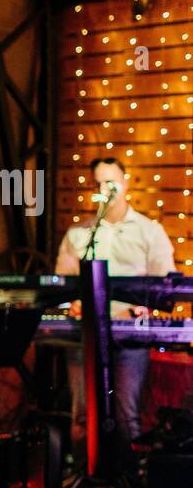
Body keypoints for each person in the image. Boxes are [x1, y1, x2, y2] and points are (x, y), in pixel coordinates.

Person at [54, 157, 175, 446]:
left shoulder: (149, 231)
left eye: (110, 182)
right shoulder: (79, 234)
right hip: (85, 334)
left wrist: (143, 305)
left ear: (125, 182)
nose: (105, 189)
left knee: (125, 415)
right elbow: (60, 286)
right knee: (82, 415)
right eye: (98, 183)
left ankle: (127, 486)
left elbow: (166, 284)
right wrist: (71, 304)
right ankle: (86, 485)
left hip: (128, 333)